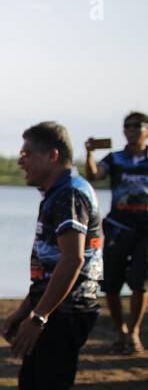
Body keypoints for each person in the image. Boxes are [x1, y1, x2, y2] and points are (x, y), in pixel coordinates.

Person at [0, 122, 102, 390]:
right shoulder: (57, 193)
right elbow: (52, 263)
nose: (21, 160)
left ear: (52, 155)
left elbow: (73, 261)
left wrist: (38, 318)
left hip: (66, 312)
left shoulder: (69, 194)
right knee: (34, 388)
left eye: (27, 153)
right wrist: (23, 310)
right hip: (51, 308)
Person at [83, 111, 148, 353]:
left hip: (145, 231)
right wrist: (89, 153)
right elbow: (93, 175)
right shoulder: (115, 158)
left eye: (137, 126)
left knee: (140, 283)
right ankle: (119, 329)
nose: (131, 130)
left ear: (146, 130)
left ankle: (134, 332)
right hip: (119, 228)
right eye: (127, 126)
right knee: (110, 284)